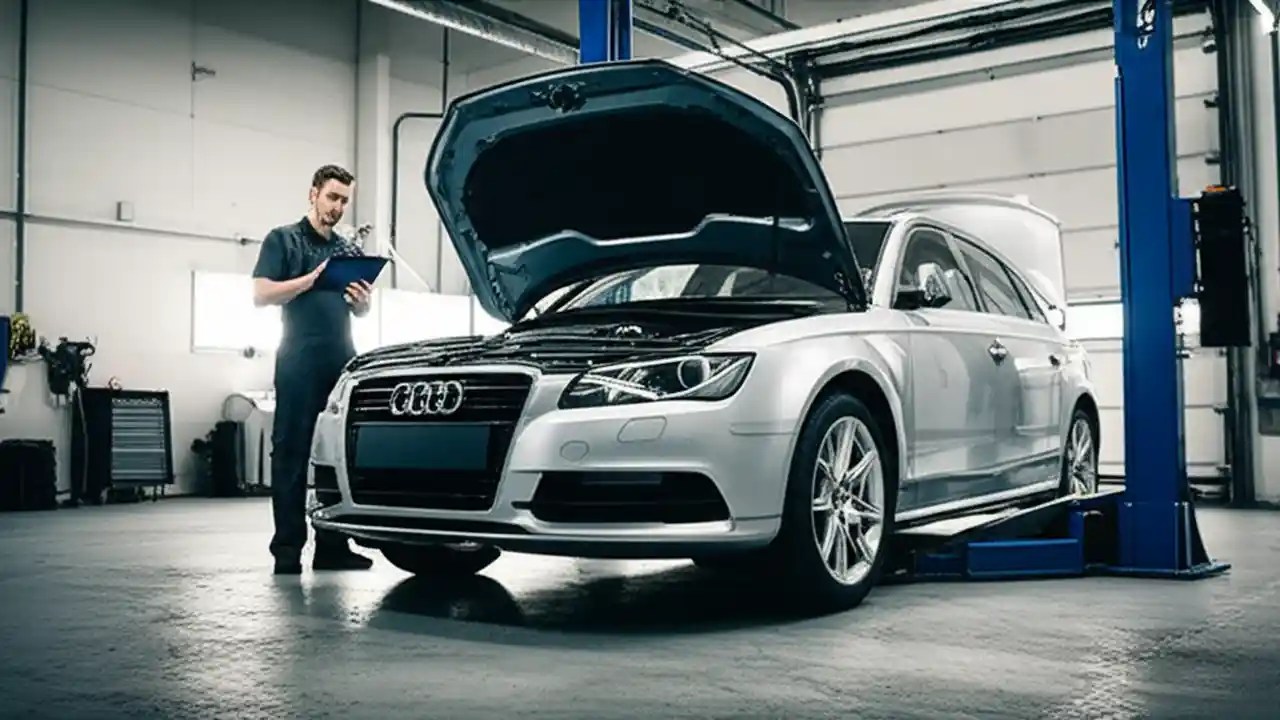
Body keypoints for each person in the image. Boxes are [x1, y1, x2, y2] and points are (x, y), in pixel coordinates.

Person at [252, 164, 375, 575]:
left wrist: (361, 302)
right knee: (291, 454)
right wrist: (311, 279)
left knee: (334, 454)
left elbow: (361, 309)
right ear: (313, 194)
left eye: (344, 200)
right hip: (298, 360)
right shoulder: (282, 240)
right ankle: (287, 551)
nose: (337, 207)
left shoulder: (349, 252)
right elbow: (262, 293)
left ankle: (333, 548)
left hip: (342, 360)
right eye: (332, 197)